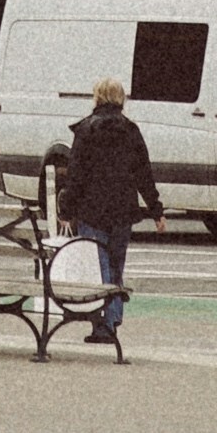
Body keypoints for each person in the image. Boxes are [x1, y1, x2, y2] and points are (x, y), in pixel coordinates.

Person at [60, 76, 163, 343]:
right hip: (122, 210)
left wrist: (66, 209)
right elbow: (144, 174)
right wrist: (155, 209)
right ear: (121, 99)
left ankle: (102, 324)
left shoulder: (86, 131)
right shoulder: (131, 131)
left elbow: (76, 176)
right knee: (116, 265)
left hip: (92, 210)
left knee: (98, 266)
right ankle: (113, 317)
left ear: (97, 98)